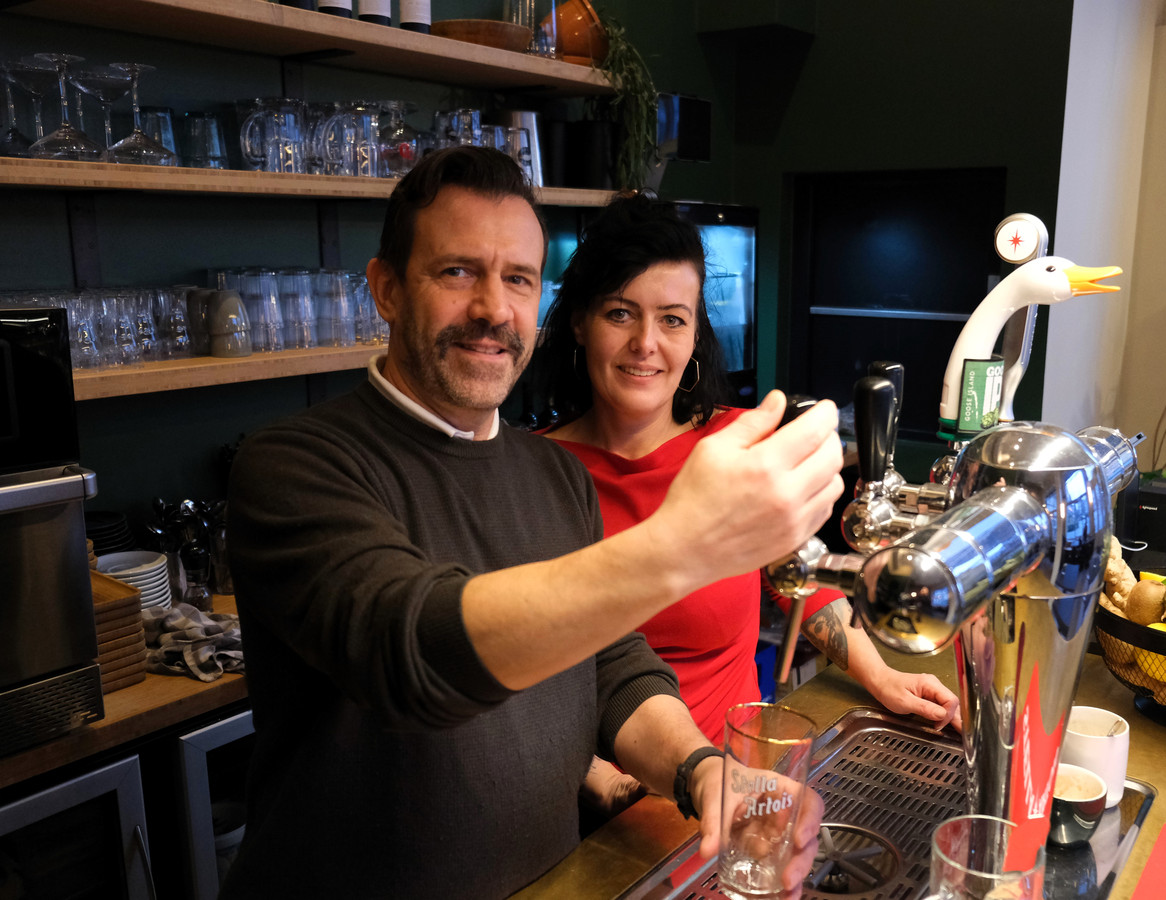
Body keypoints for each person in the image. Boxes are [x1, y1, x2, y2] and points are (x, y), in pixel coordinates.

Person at [222, 148, 841, 900]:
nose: (492, 308)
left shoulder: (553, 475)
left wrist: (703, 770)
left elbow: (611, 663)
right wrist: (679, 546)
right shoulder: (293, 466)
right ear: (385, 289)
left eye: (517, 279)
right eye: (457, 272)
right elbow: (410, 649)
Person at [532, 193, 960, 808]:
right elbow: (526, 677)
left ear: (695, 334)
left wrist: (883, 677)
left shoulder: (736, 444)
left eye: (672, 319)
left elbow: (797, 577)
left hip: (743, 778)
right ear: (580, 322)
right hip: (612, 805)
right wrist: (595, 777)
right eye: (620, 314)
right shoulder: (533, 472)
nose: (646, 344)